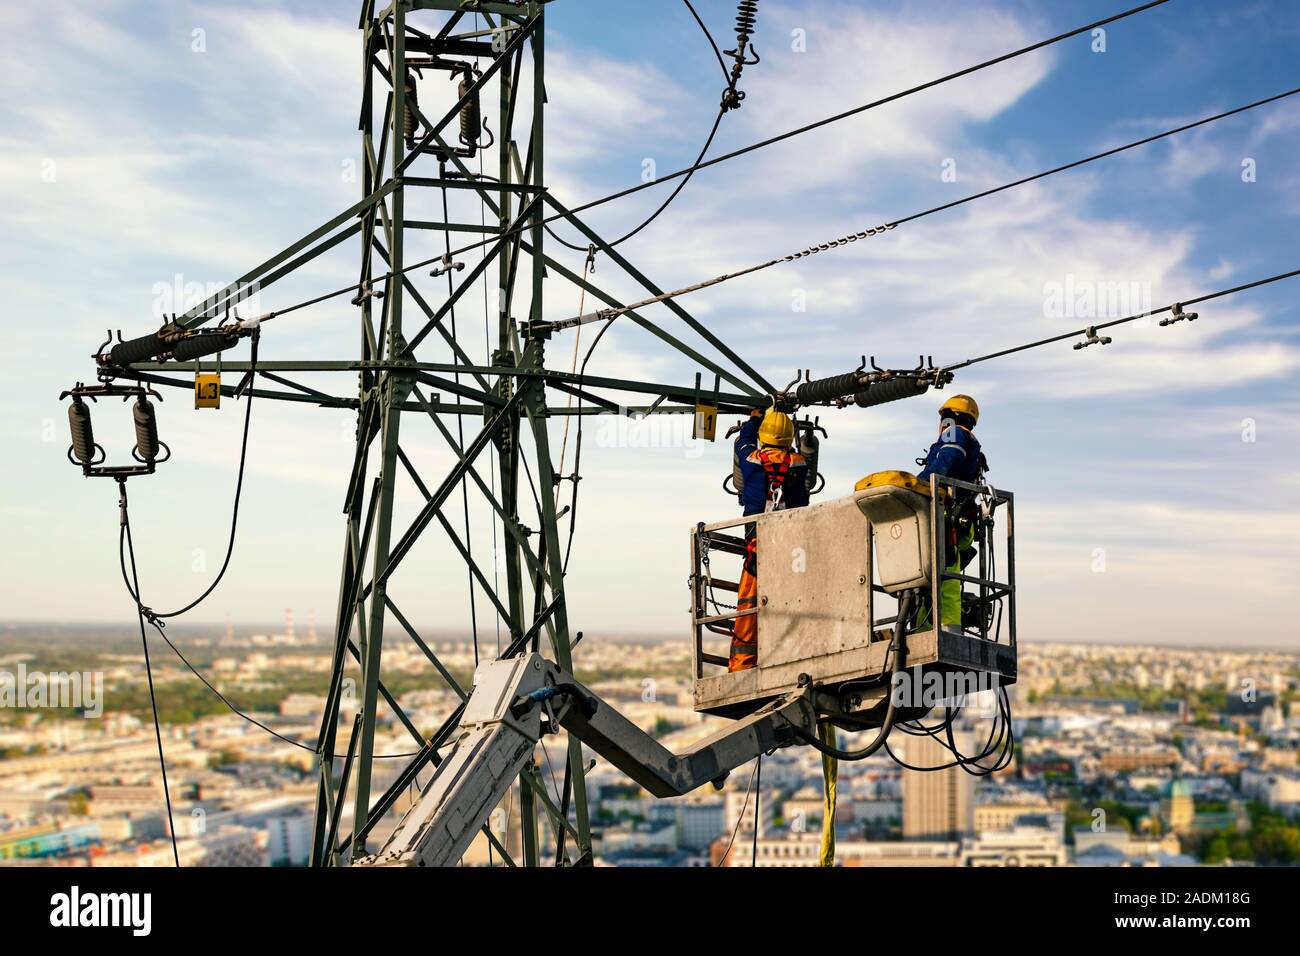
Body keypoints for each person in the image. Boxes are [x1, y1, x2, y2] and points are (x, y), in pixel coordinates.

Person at [729, 408, 809, 671]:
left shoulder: (752, 459)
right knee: (790, 606)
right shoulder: (799, 463)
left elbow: (742, 441)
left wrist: (753, 420)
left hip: (757, 550)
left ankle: (742, 669)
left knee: (749, 610)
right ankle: (788, 664)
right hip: (790, 552)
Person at [915, 394, 988, 632]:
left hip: (946, 518)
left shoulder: (955, 433)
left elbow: (948, 459)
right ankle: (930, 631)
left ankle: (944, 633)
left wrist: (918, 486)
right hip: (955, 519)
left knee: (940, 579)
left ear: (952, 416)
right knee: (934, 578)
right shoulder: (971, 441)